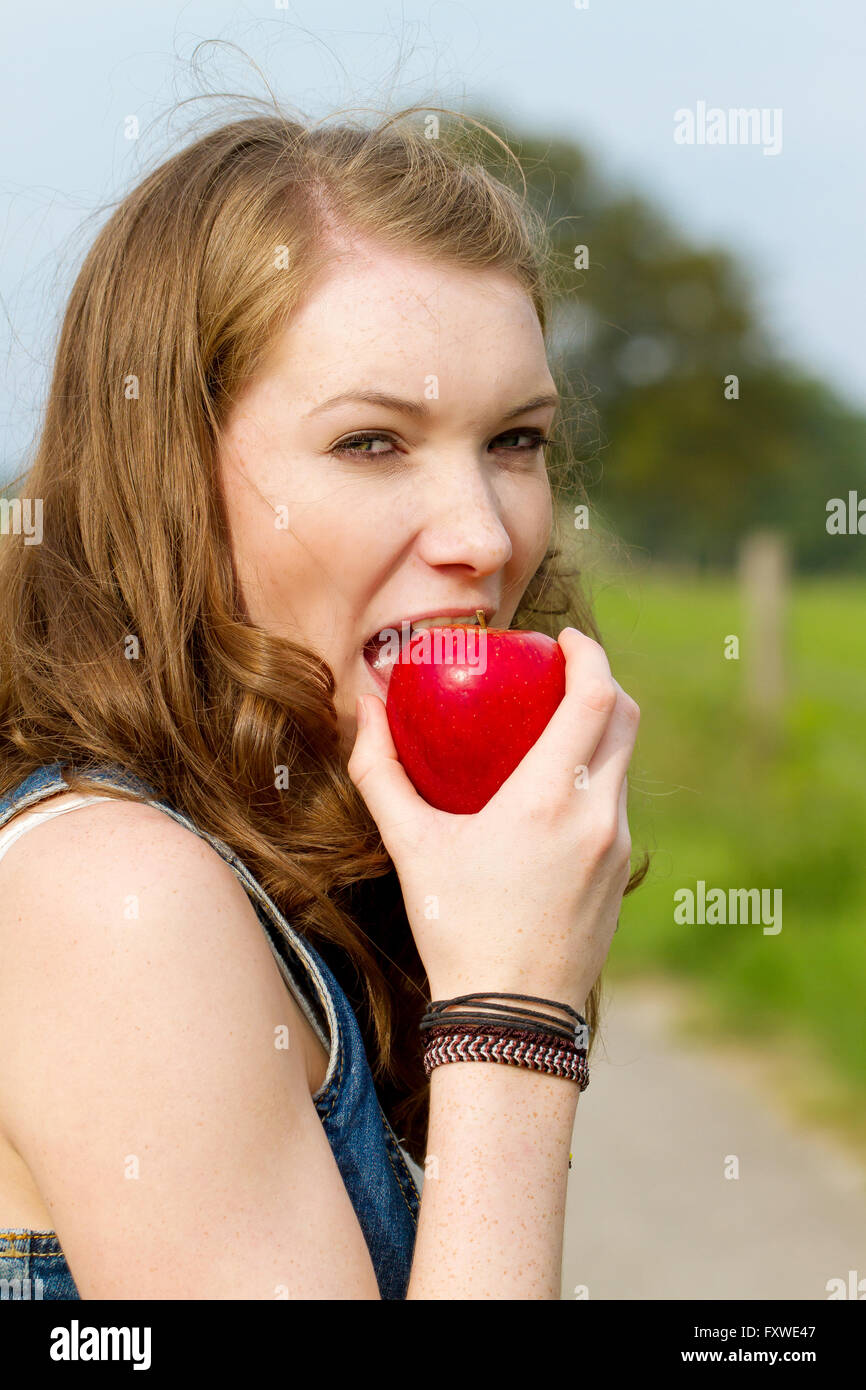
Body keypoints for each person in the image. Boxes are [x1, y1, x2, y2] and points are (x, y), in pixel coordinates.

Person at [0, 104, 644, 1300]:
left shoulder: (285, 854)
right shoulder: (113, 898)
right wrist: (514, 1011)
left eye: (513, 439)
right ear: (172, 480)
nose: (482, 536)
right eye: (370, 444)